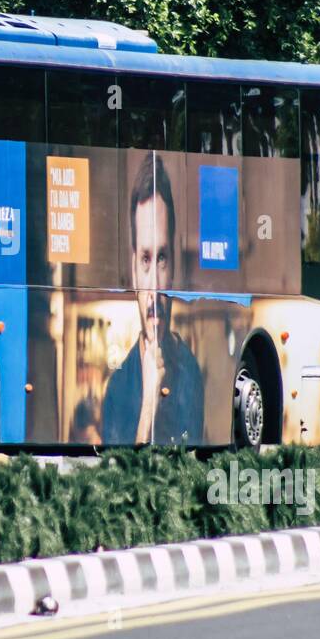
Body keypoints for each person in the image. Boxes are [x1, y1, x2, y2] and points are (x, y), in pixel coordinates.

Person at [101, 153, 204, 446]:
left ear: (174, 267)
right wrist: (149, 403)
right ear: (133, 270)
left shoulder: (192, 373)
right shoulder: (118, 388)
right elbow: (121, 477)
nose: (155, 286)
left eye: (161, 259)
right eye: (146, 260)